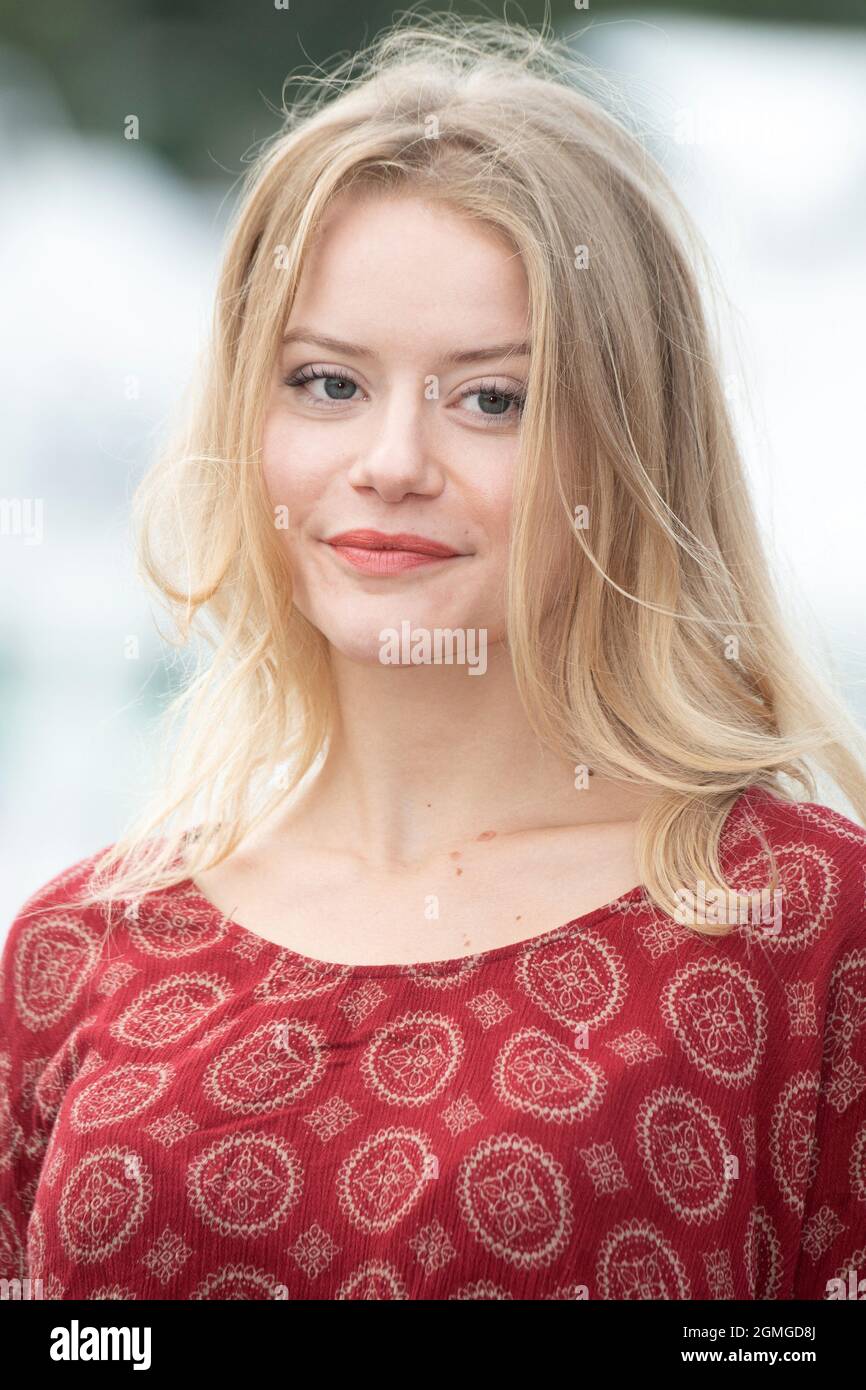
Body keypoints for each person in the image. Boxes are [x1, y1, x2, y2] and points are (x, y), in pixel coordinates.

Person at [2, 16, 865, 1302]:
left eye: (489, 398)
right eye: (327, 384)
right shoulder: (74, 951)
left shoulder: (802, 932)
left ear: (624, 451)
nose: (392, 462)